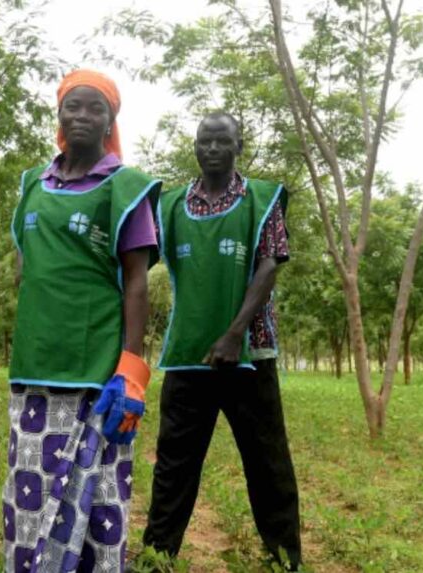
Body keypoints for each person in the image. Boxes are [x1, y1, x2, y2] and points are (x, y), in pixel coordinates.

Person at [4, 69, 161, 572]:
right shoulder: (33, 183)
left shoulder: (125, 188)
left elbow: (136, 281)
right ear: (59, 114)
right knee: (27, 493)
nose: (83, 116)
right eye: (74, 106)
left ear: (111, 120)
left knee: (95, 499)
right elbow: (27, 264)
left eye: (96, 108)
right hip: (33, 363)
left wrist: (132, 371)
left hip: (96, 368)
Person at [142, 112, 301, 571]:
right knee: (174, 465)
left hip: (250, 355)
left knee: (268, 463)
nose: (211, 149)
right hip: (188, 356)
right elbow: (138, 259)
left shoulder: (262, 200)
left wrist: (234, 334)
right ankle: (158, 556)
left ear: (238, 146)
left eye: (221, 142)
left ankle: (285, 559)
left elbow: (268, 266)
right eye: (203, 142)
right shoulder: (170, 206)